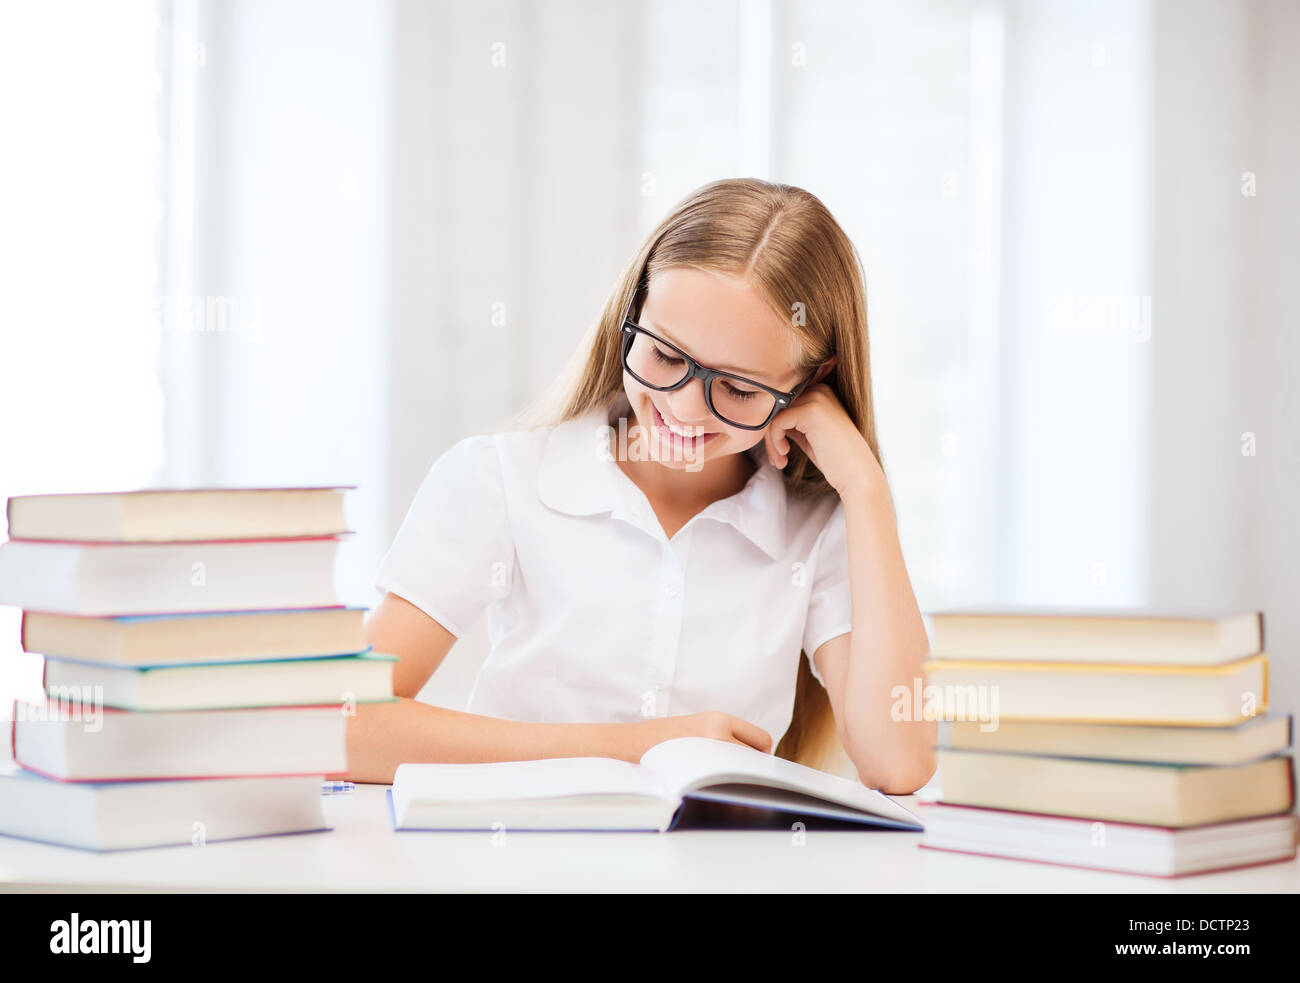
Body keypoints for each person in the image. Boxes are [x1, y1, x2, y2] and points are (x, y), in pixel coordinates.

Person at [344, 177, 934, 792]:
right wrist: (632, 748)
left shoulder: (817, 529)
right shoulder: (502, 480)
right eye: (665, 356)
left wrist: (866, 490)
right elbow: (343, 722)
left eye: (737, 388)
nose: (682, 408)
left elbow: (899, 764)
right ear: (632, 313)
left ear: (813, 382)